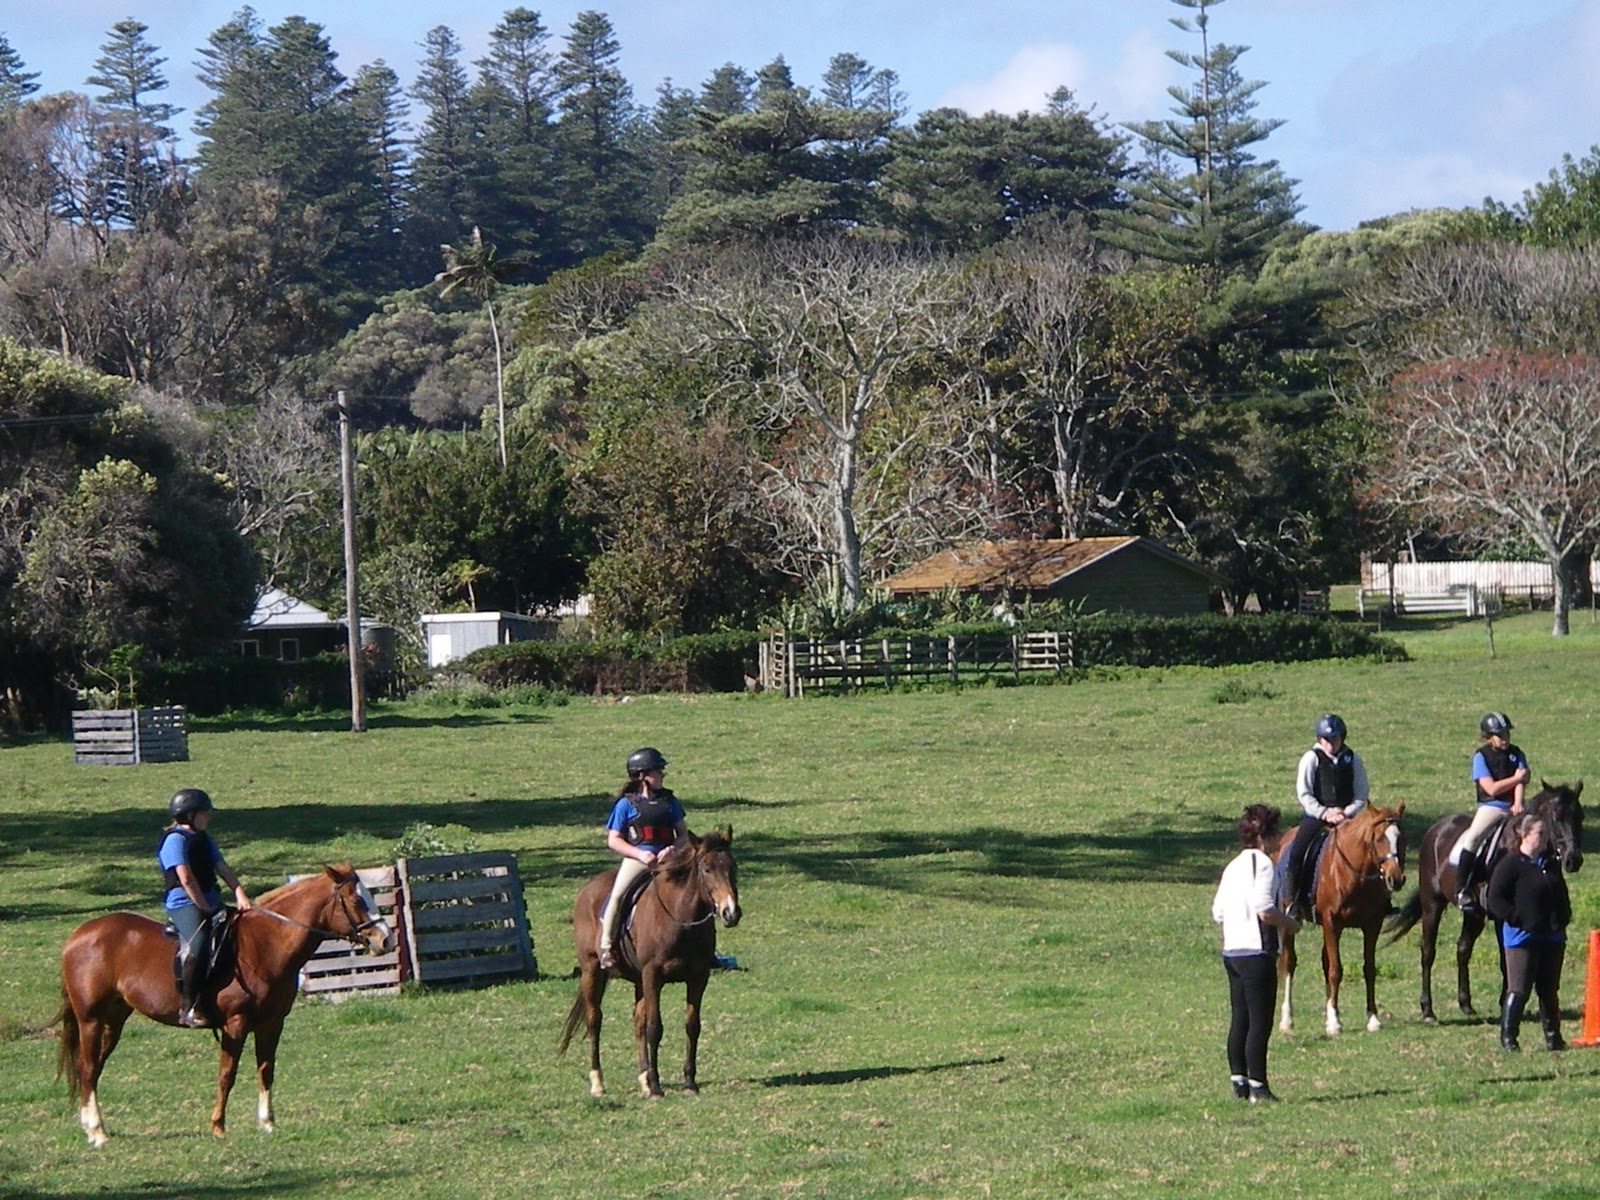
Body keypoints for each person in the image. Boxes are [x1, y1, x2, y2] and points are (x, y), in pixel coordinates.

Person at [1213, 804, 1300, 1103]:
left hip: (1232, 951)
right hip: (1257, 952)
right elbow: (1265, 909)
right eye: (1275, 832)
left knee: (1240, 1018)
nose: (1278, 839)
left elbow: (1218, 912)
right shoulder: (1263, 864)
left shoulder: (1233, 866)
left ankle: (1238, 1080)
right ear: (1266, 835)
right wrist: (1289, 923)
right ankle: (1258, 1086)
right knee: (1260, 1022)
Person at [157, 787, 252, 1027]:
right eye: (204, 813)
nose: (208, 817)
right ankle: (188, 1007)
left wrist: (239, 893)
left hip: (209, 899)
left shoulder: (204, 839)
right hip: (184, 903)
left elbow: (221, 867)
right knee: (197, 944)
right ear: (189, 815)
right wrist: (204, 907)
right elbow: (186, 879)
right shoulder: (174, 841)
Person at [596, 748, 690, 970]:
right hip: (639, 858)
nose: (662, 775)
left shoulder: (670, 801)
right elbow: (614, 840)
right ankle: (607, 947)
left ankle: (705, 948)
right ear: (642, 776)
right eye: (657, 771)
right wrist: (640, 854)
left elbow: (684, 835)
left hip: (668, 859)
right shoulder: (625, 805)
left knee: (693, 891)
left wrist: (671, 849)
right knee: (617, 895)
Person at [1485, 811, 1571, 1052]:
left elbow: (1561, 892)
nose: (1544, 839)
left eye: (1545, 834)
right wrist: (1516, 918)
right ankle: (1509, 1038)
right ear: (1524, 835)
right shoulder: (1511, 864)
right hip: (1522, 938)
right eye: (1539, 834)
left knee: (1549, 990)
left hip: (1552, 936)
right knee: (1519, 989)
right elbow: (1495, 898)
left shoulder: (1550, 864)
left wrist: (1564, 916)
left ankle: (1554, 1037)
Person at [1279, 714, 1369, 919]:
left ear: (1342, 738)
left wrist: (1347, 811)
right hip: (1316, 816)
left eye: (1335, 738)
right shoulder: (1311, 758)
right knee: (1297, 852)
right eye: (1326, 739)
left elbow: (1361, 792)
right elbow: (1304, 792)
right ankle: (1293, 901)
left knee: (1372, 848)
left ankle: (1382, 900)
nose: (1330, 743)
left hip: (1347, 816)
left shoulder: (1353, 759)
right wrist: (1325, 812)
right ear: (1319, 739)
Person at [1450, 711, 1529, 913]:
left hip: (1514, 807)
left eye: (1507, 734)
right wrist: (1515, 779)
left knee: (1538, 833)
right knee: (1473, 838)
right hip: (1492, 806)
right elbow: (1491, 788)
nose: (1505, 739)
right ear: (1488, 737)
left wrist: (1518, 802)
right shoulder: (1481, 757)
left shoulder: (1517, 753)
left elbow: (1522, 781)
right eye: (1500, 735)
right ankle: (1462, 889)